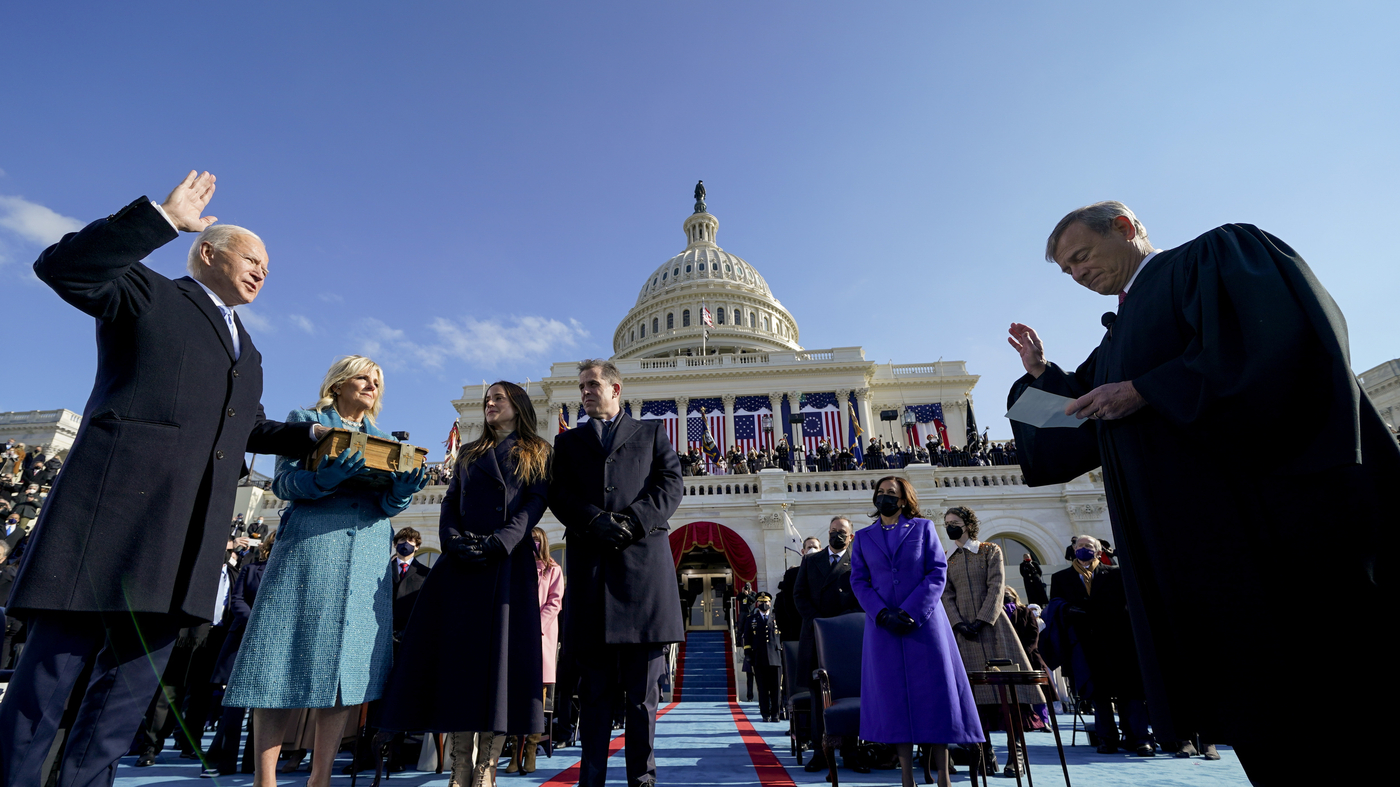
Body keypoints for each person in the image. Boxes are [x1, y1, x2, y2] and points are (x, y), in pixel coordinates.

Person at [1008, 202, 1398, 781]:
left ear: (1125, 227)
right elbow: (1073, 422)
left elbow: (1279, 345)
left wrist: (1148, 389)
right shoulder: (1115, 342)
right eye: (1068, 271)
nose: (1078, 274)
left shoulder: (1214, 257)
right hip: (1193, 558)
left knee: (1331, 705)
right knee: (1259, 718)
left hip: (1267, 534)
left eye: (1082, 256)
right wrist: (1043, 376)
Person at [0, 172, 323, 787]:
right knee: (46, 688)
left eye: (267, 266)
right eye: (252, 258)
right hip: (109, 524)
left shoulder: (249, 351)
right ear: (209, 252)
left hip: (183, 542)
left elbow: (247, 427)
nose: (262, 271)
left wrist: (311, 437)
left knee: (118, 707)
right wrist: (161, 219)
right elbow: (63, 267)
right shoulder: (147, 292)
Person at [223, 355, 426, 787]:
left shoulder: (385, 440)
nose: (372, 385)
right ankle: (264, 779)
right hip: (310, 551)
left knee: (344, 670)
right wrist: (322, 480)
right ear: (338, 384)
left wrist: (402, 494)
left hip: (366, 556)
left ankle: (321, 778)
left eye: (377, 381)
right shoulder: (306, 421)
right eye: (363, 377)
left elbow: (388, 505)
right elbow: (283, 484)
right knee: (279, 659)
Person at [379, 381, 551, 787]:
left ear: (518, 405)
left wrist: (501, 542)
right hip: (461, 567)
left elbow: (534, 503)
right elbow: (450, 501)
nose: (490, 404)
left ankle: (486, 767)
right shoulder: (470, 452)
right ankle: (460, 765)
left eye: (498, 399)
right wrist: (452, 540)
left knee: (499, 669)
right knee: (459, 666)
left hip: (506, 566)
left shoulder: (538, 451)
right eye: (487, 400)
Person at [548, 359, 684, 787]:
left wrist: (633, 521)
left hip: (643, 580)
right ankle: (590, 781)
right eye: (581, 387)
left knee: (643, 700)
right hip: (592, 581)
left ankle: (642, 780)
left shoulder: (651, 433)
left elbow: (670, 484)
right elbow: (557, 493)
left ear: (615, 388)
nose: (585, 392)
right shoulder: (567, 443)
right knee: (594, 697)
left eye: (592, 385)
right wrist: (594, 520)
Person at [850, 476, 981, 787]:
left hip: (924, 625)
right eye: (880, 492)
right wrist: (881, 612)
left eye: (891, 493)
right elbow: (859, 580)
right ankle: (906, 775)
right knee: (894, 699)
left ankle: (943, 774)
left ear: (903, 499)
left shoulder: (922, 528)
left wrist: (911, 610)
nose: (884, 497)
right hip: (883, 628)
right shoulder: (864, 537)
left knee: (935, 697)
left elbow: (936, 571)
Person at [940, 505, 1044, 777]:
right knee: (974, 696)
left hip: (995, 629)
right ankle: (985, 754)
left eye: (955, 522)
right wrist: (958, 623)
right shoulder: (947, 558)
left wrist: (982, 619)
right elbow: (945, 594)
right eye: (947, 522)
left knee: (1010, 693)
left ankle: (1015, 754)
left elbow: (997, 586)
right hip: (964, 634)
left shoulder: (990, 550)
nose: (950, 526)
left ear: (967, 524)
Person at [1049, 535, 1153, 756]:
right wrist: (1066, 609)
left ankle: (1139, 738)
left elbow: (1130, 604)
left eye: (1088, 546)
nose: (1083, 549)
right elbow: (1054, 605)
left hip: (1119, 642)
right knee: (1099, 694)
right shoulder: (1061, 578)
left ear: (1098, 551)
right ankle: (1107, 739)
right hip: (1085, 645)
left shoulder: (1115, 573)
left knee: (1130, 692)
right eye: (1079, 546)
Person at [792, 516, 865, 774]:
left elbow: (862, 597)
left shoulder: (859, 562)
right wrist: (818, 621)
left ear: (851, 536)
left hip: (846, 639)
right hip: (816, 636)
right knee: (817, 698)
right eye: (833, 530)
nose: (836, 535)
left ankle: (851, 753)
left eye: (842, 531)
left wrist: (842, 624)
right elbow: (799, 595)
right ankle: (820, 753)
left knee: (849, 694)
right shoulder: (811, 561)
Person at [207, 530, 278, 776]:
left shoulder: (292, 573)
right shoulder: (250, 569)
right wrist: (256, 622)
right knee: (233, 705)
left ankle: (254, 764)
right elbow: (236, 600)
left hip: (273, 643)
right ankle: (222, 761)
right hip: (242, 639)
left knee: (263, 706)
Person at [507, 526, 564, 776]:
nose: (533, 544)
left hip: (540, 639)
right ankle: (514, 753)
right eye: (529, 540)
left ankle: (531, 751)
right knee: (513, 700)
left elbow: (554, 602)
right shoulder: (515, 568)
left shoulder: (553, 569)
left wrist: (534, 624)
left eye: (537, 540)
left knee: (536, 702)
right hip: (516, 639)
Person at [740, 592, 782, 722]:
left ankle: (775, 714)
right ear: (757, 603)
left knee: (776, 688)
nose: (764, 604)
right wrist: (748, 654)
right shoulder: (751, 619)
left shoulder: (777, 617)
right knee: (762, 688)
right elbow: (747, 638)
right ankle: (765, 714)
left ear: (770, 603)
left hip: (775, 658)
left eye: (766, 602)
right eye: (761, 602)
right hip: (759, 658)